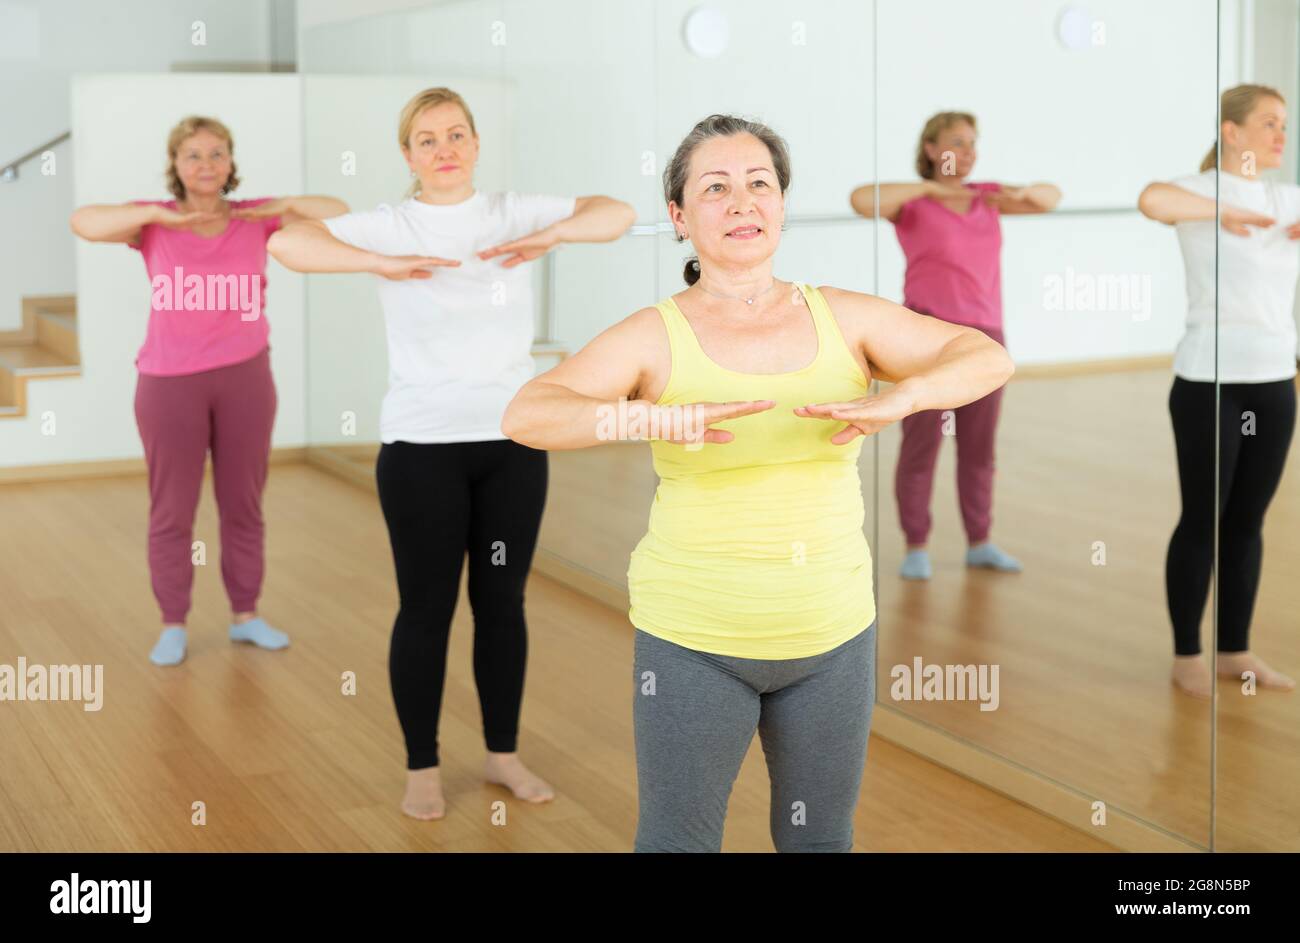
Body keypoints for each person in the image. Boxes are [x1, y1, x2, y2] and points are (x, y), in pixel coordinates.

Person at [501, 113, 1014, 851]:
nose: (742, 201)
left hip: (833, 635)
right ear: (679, 216)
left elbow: (983, 356)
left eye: (759, 183)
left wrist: (906, 395)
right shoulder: (655, 333)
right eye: (716, 187)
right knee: (678, 841)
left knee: (820, 839)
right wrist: (646, 420)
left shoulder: (844, 316)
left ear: (781, 203)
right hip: (694, 639)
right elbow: (530, 412)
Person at [267, 87, 636, 820]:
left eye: (457, 134)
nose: (445, 149)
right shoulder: (393, 222)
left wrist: (551, 236)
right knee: (426, 609)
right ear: (408, 155)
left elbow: (616, 212)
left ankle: (502, 752)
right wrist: (378, 260)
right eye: (428, 139)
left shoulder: (510, 212)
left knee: (502, 605)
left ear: (474, 143)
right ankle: (423, 765)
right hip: (421, 448)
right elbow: (285, 242)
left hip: (512, 441)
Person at [69, 115, 348, 667]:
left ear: (231, 162)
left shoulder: (255, 218)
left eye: (216, 154)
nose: (205, 165)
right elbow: (83, 221)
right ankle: (173, 621)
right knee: (172, 510)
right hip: (169, 384)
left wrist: (280, 205)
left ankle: (245, 615)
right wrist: (154, 212)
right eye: (193, 155)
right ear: (175, 164)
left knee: (243, 505)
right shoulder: (152, 222)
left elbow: (339, 214)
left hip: (245, 377)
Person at [850, 111, 1060, 580]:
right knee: (921, 444)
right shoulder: (915, 204)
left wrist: (1017, 192)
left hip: (986, 339)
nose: (968, 153)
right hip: (925, 339)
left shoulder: (986, 198)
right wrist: (932, 188)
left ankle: (979, 541)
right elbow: (861, 199)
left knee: (979, 448)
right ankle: (916, 543)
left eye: (972, 144)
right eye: (957, 143)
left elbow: (1051, 197)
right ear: (930, 149)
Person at [1139, 83, 1299, 697]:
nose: (1281, 135)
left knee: (1248, 522)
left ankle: (1236, 650)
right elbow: (1150, 199)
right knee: (1203, 516)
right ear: (1232, 132)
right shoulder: (1195, 191)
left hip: (1274, 381)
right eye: (1268, 123)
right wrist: (1221, 213)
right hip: (1209, 381)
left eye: (1284, 124)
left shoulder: (1285, 198)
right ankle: (1187, 654)